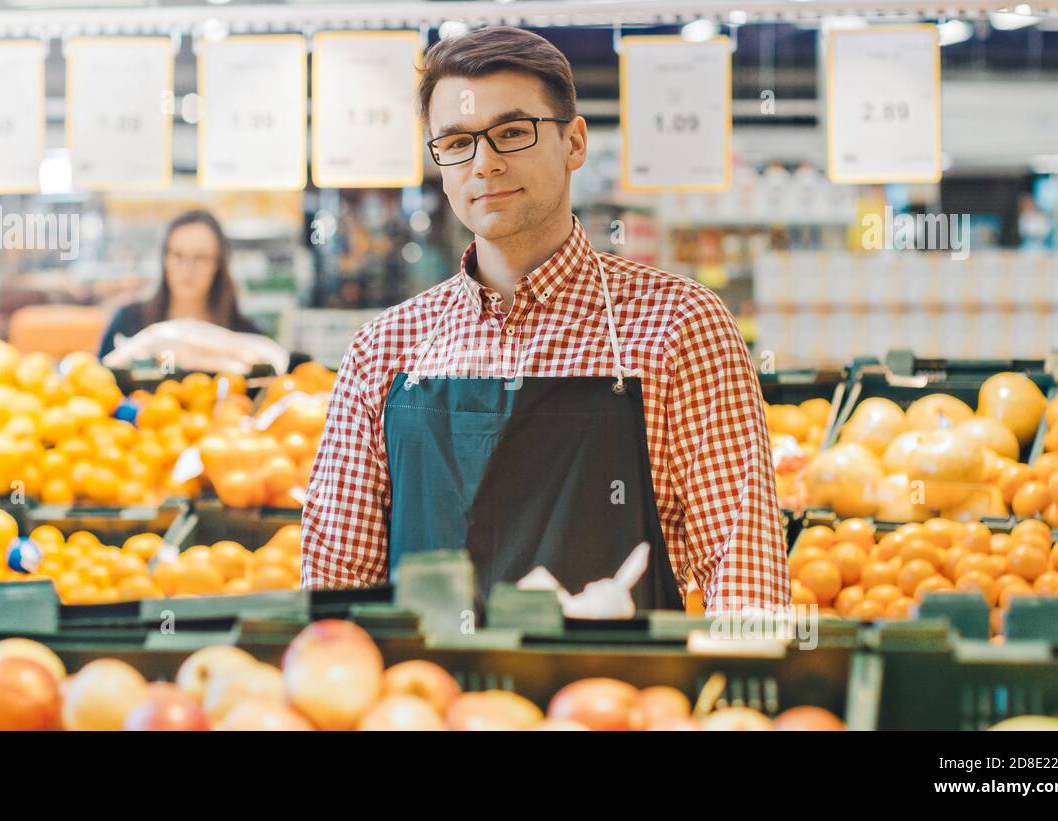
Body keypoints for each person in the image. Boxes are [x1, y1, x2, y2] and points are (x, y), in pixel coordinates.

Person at [301, 27, 790, 616]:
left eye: (512, 132)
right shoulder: (385, 349)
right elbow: (338, 585)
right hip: (424, 700)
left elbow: (744, 577)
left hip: (618, 698)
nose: (484, 163)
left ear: (574, 142)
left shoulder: (680, 326)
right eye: (456, 142)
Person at [97, 209, 270, 360]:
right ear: (165, 259)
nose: (187, 270)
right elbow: (98, 383)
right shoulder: (127, 322)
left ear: (218, 264)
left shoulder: (246, 336)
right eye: (178, 256)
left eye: (200, 258)